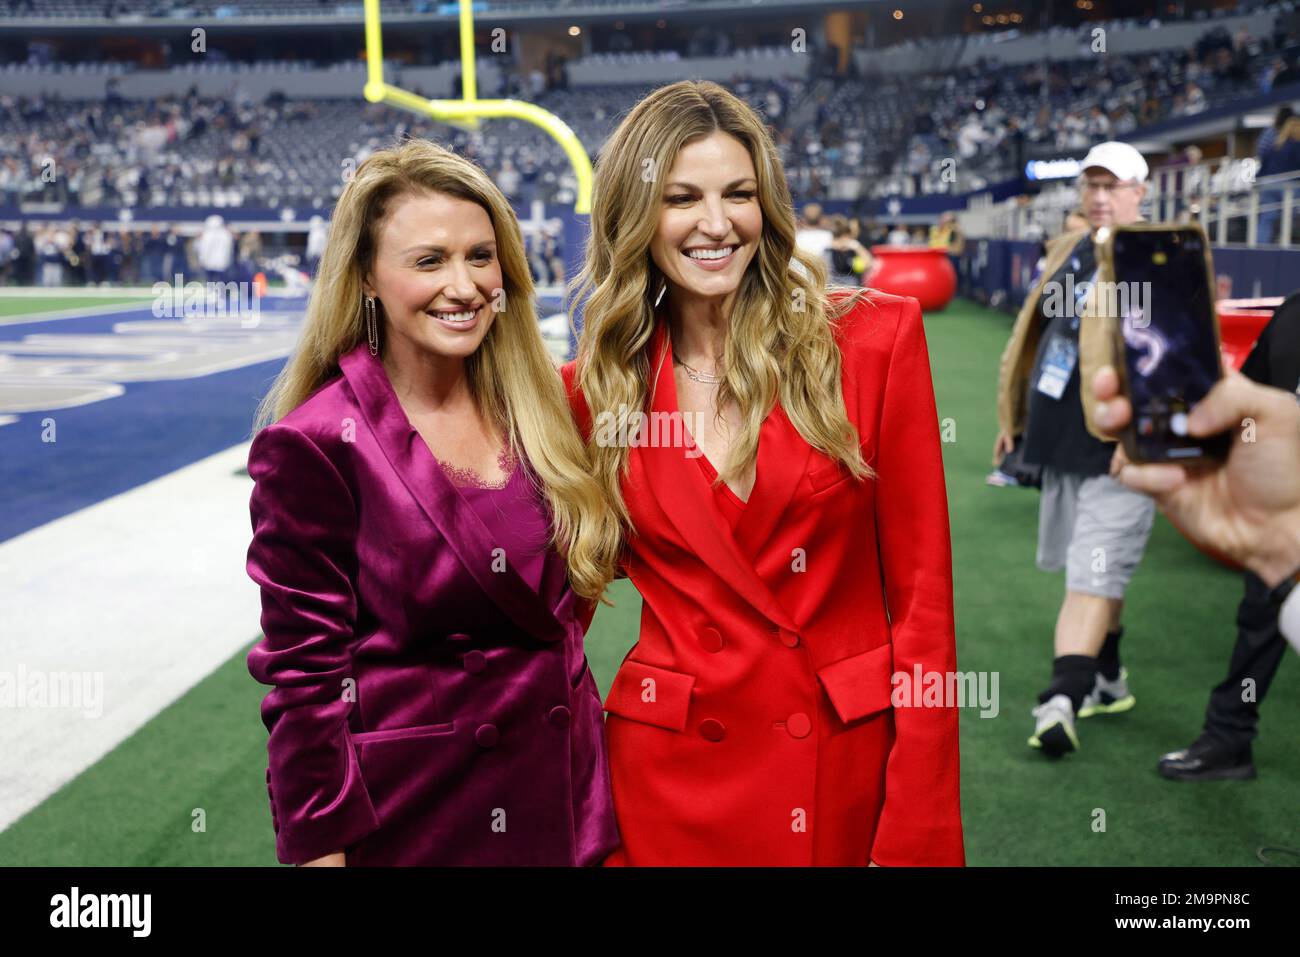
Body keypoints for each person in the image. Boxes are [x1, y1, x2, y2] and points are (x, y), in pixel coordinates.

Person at [563, 80, 962, 866]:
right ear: (634, 219)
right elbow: (552, 622)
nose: (717, 224)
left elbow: (922, 605)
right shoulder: (589, 392)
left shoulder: (873, 342)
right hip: (665, 783)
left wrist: (920, 823)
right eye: (681, 198)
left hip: (840, 767)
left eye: (739, 194)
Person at [245, 139, 620, 866]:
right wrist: (321, 851)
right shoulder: (318, 441)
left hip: (567, 801)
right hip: (423, 819)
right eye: (428, 260)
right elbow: (305, 684)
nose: (465, 284)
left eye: (482, 256)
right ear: (365, 278)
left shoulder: (543, 405)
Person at [994, 141, 1157, 758]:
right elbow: (1036, 337)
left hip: (1120, 450)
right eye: (1091, 184)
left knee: (1088, 574)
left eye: (1112, 185)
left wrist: (1141, 439)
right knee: (1093, 567)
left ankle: (1062, 696)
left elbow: (1171, 361)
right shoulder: (1073, 248)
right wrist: (1015, 416)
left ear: (1141, 191)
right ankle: (1109, 679)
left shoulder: (1156, 255)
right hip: (1061, 440)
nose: (1098, 195)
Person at [1094, 293, 1300, 779]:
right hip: (1285, 516)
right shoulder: (1293, 313)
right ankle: (1229, 737)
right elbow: (1240, 398)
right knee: (1261, 614)